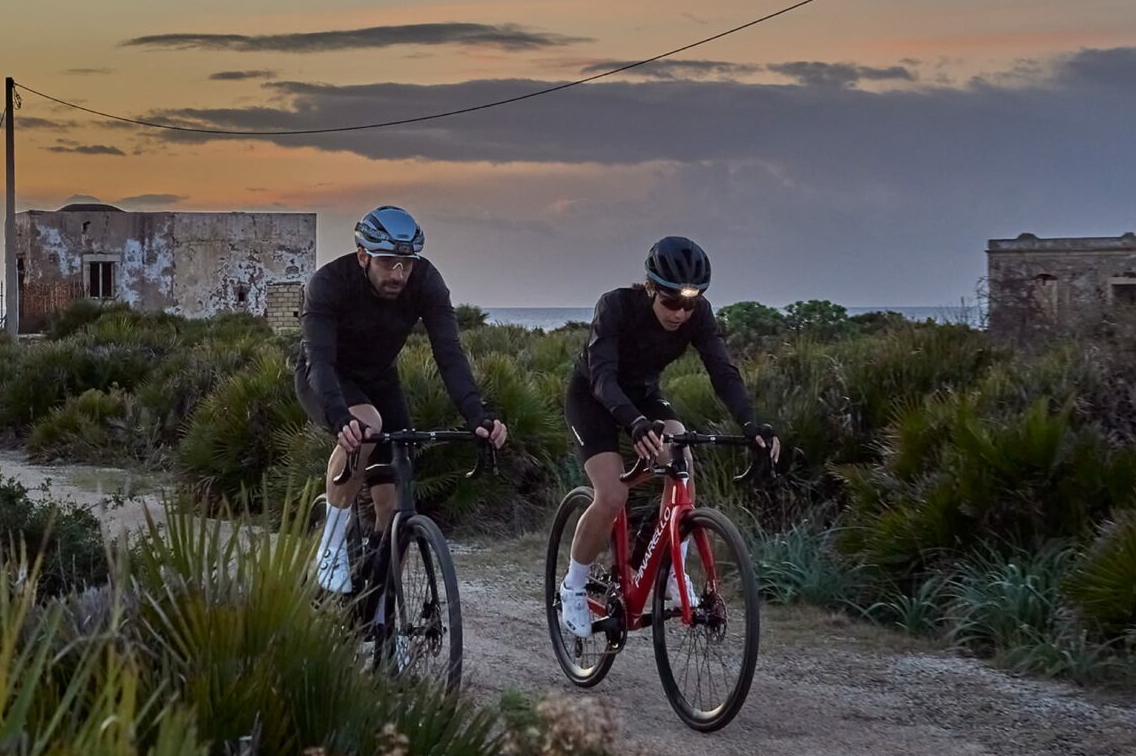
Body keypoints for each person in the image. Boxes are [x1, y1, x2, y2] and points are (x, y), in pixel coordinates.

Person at [557, 235, 778, 636]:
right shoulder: (617, 306)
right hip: (594, 399)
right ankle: (573, 585)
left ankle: (669, 568)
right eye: (672, 302)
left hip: (643, 396)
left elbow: (723, 372)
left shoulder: (698, 315)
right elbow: (603, 378)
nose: (681, 312)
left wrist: (751, 424)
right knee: (612, 494)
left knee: (681, 461)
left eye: (690, 303)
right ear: (650, 287)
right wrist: (634, 423)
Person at [299, 206, 509, 590]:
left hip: (381, 379)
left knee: (394, 504)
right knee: (366, 425)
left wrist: (476, 414)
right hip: (327, 377)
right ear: (363, 255)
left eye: (406, 264)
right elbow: (320, 361)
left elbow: (449, 354)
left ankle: (379, 600)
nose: (398, 274)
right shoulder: (329, 283)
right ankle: (329, 547)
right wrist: (338, 416)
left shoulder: (426, 282)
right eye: (388, 263)